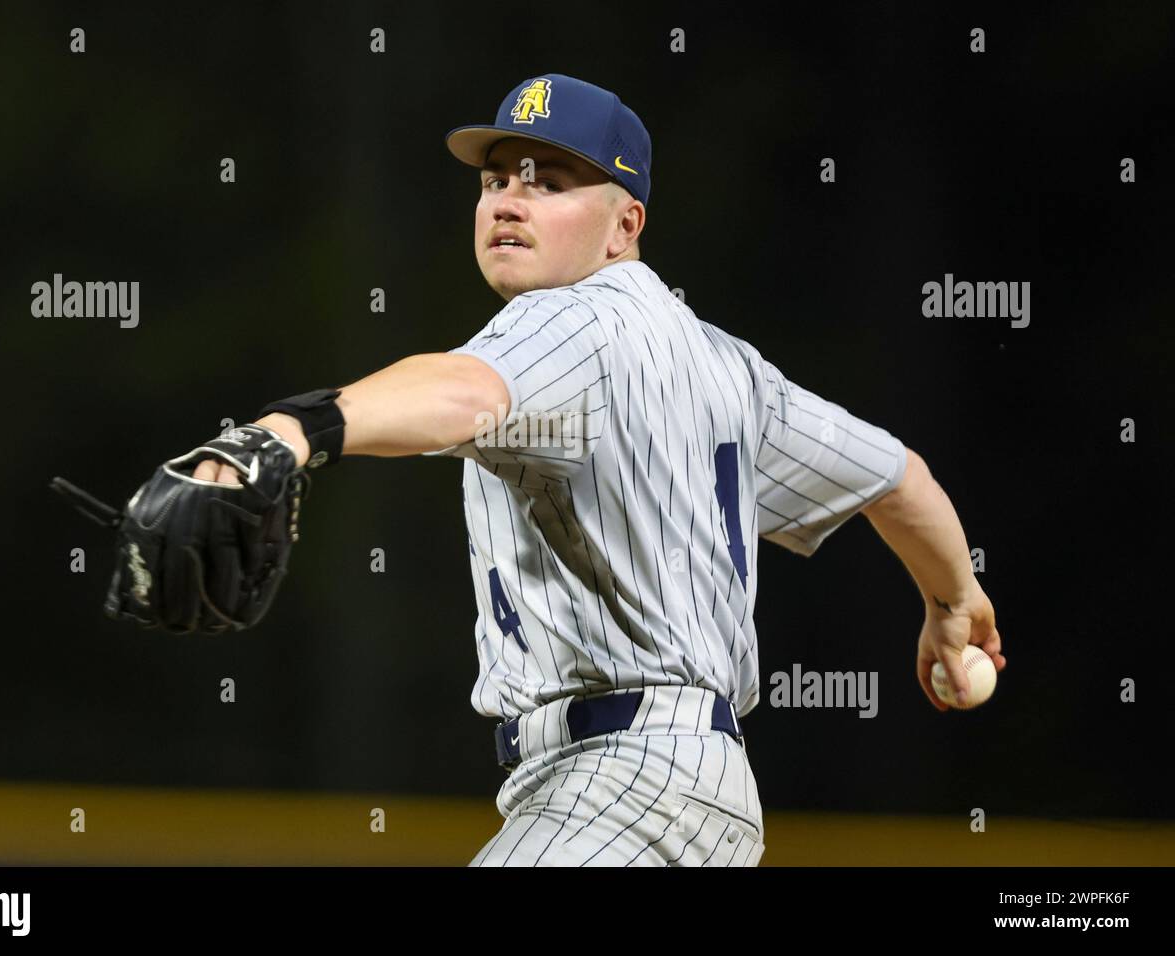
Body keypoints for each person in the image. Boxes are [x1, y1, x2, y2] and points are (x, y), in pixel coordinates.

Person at [191, 74, 1006, 866]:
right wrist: (954, 600)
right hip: (699, 796)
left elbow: (460, 392)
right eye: (497, 179)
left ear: (625, 226)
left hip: (624, 786)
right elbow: (899, 479)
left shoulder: (574, 318)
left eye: (550, 182)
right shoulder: (732, 368)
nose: (508, 200)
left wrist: (282, 435)